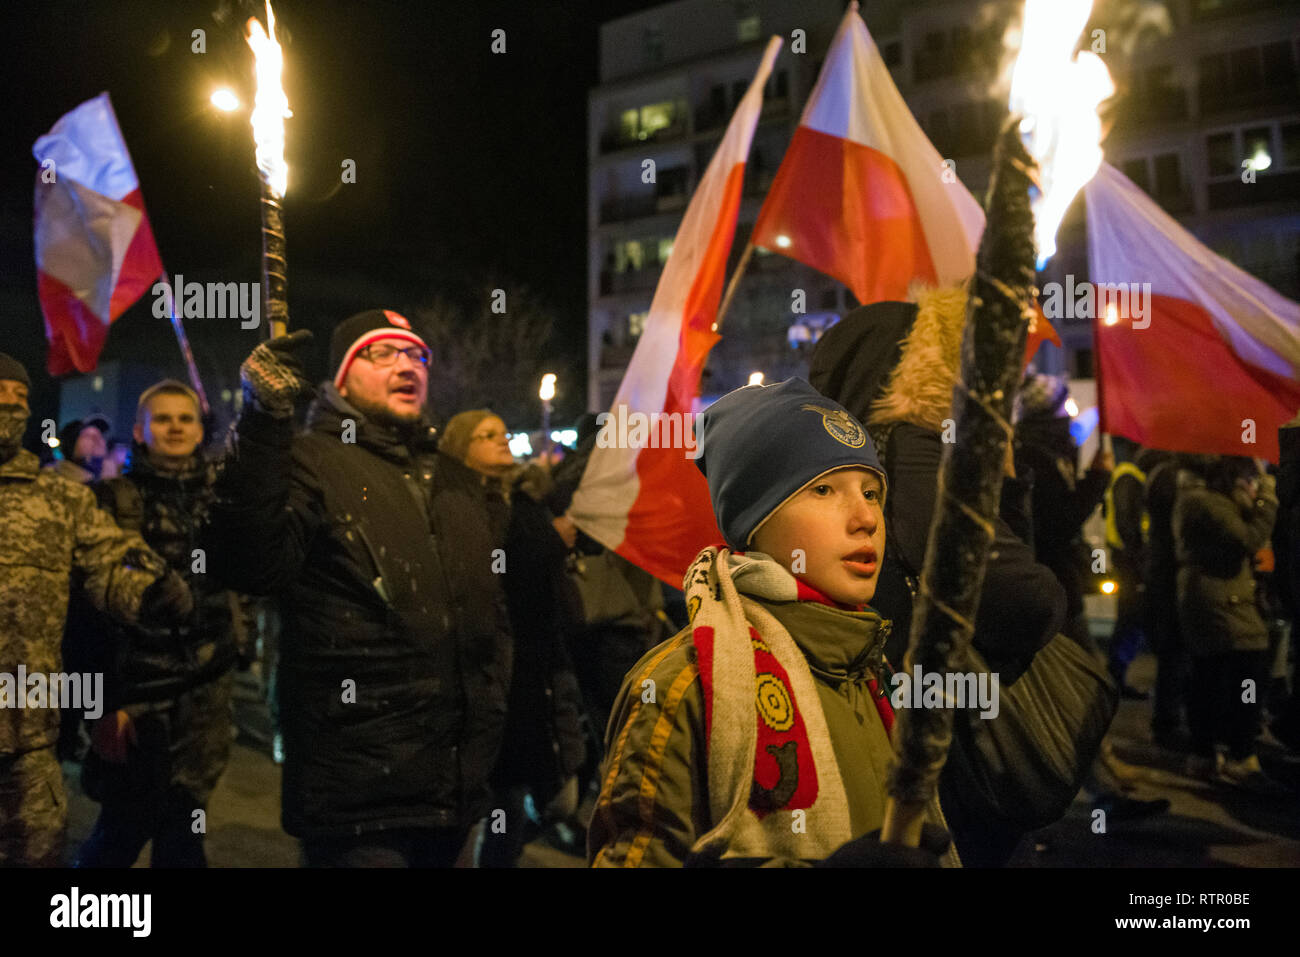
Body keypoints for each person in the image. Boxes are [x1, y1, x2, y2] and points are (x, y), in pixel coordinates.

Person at [590, 378, 956, 867]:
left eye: (871, 492)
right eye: (824, 490)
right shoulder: (683, 686)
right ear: (755, 521)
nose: (865, 517)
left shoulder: (877, 675)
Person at [204, 311, 512, 867]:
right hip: (357, 795)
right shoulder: (307, 460)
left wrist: (491, 718)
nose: (406, 364)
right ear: (341, 378)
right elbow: (250, 563)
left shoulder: (455, 479)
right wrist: (262, 422)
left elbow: (493, 614)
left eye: (416, 355)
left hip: (457, 790)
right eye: (383, 353)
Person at [0, 353, 191, 867]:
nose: (9, 409)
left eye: (19, 399)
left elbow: (109, 558)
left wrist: (150, 587)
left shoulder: (60, 500)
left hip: (27, 740)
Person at [73, 380, 241, 867]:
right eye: (162, 419)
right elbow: (86, 618)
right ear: (140, 432)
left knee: (186, 831)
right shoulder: (107, 500)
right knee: (121, 832)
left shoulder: (222, 499)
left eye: (185, 418)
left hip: (207, 698)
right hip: (138, 703)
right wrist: (102, 705)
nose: (175, 427)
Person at [440, 409, 586, 865]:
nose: (502, 440)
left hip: (533, 667)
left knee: (540, 794)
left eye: (503, 432)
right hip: (485, 667)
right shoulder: (454, 509)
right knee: (488, 796)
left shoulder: (525, 501)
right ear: (460, 450)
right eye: (486, 436)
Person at [1174, 455, 1287, 793]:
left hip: (1221, 602)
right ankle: (1240, 754)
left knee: (1211, 679)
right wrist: (1268, 492)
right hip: (1223, 605)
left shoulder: (1204, 500)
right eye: (1249, 478)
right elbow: (1247, 539)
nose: (1253, 484)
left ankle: (1206, 752)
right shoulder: (1207, 503)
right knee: (1246, 680)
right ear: (1234, 478)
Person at [51, 415, 112, 484]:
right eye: (89, 436)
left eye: (101, 435)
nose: (99, 441)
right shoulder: (53, 478)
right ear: (71, 443)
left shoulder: (106, 479)